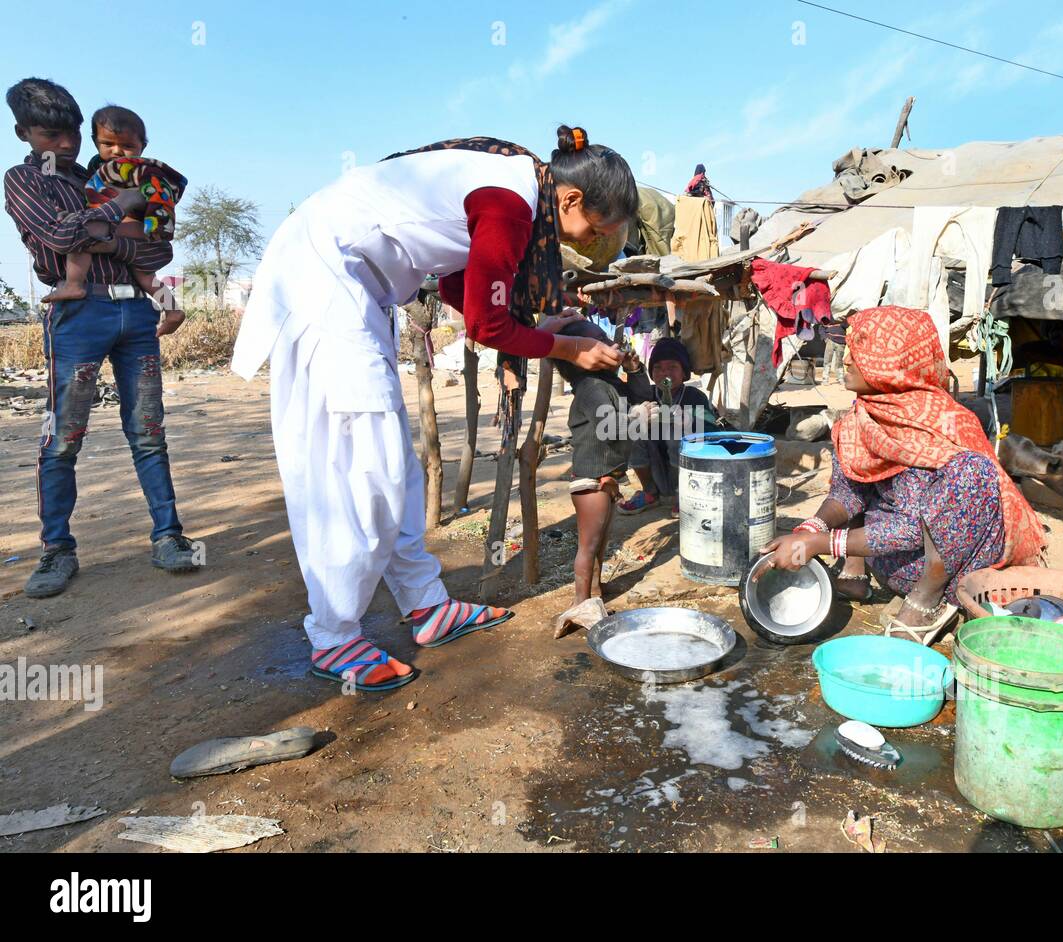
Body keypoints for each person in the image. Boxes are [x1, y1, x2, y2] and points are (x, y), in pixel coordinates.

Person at [231, 125, 638, 692]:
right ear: (570, 199)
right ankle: (333, 634)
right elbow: (485, 322)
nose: (589, 244)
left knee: (392, 462)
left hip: (361, 292)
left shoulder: (518, 187)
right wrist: (566, 346)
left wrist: (537, 328)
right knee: (359, 467)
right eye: (595, 229)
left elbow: (456, 287)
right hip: (325, 285)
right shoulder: (509, 201)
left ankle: (427, 606)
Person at [4, 77, 196, 600]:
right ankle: (56, 550)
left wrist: (108, 229)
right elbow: (61, 236)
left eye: (71, 133)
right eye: (50, 135)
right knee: (64, 435)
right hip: (78, 313)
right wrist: (122, 212)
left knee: (149, 430)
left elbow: (158, 251)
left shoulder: (103, 176)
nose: (65, 145)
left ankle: (169, 537)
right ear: (23, 133)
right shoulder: (25, 181)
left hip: (135, 313)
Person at [755, 306, 1045, 645]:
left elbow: (912, 528)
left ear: (894, 360)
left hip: (954, 569)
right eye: (848, 348)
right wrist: (811, 528)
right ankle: (856, 574)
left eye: (860, 349)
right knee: (852, 454)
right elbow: (849, 492)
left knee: (972, 471)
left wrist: (822, 544)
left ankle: (926, 603)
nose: (847, 359)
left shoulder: (945, 423)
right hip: (890, 562)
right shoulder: (861, 416)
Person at [42, 105, 186, 333]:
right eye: (108, 144)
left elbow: (161, 197)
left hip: (137, 225)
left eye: (127, 146)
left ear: (142, 146)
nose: (117, 151)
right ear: (96, 142)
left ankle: (73, 284)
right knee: (145, 274)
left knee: (85, 233)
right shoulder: (96, 168)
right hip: (131, 227)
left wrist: (156, 226)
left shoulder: (139, 169)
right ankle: (173, 309)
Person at [553, 320, 631, 605]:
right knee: (588, 545)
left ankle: (595, 591)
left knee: (600, 543)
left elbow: (643, 396)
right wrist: (641, 419)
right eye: (601, 341)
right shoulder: (590, 388)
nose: (611, 343)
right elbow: (610, 428)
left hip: (607, 477)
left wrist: (635, 370)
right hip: (592, 480)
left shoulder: (608, 383)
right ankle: (581, 604)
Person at [616, 337, 718, 516]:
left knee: (674, 433)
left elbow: (710, 431)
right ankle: (649, 492)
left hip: (686, 468)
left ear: (684, 373)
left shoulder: (694, 396)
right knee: (634, 429)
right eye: (658, 368)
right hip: (654, 465)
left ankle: (683, 496)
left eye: (672, 367)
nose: (665, 373)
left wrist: (684, 422)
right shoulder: (647, 394)